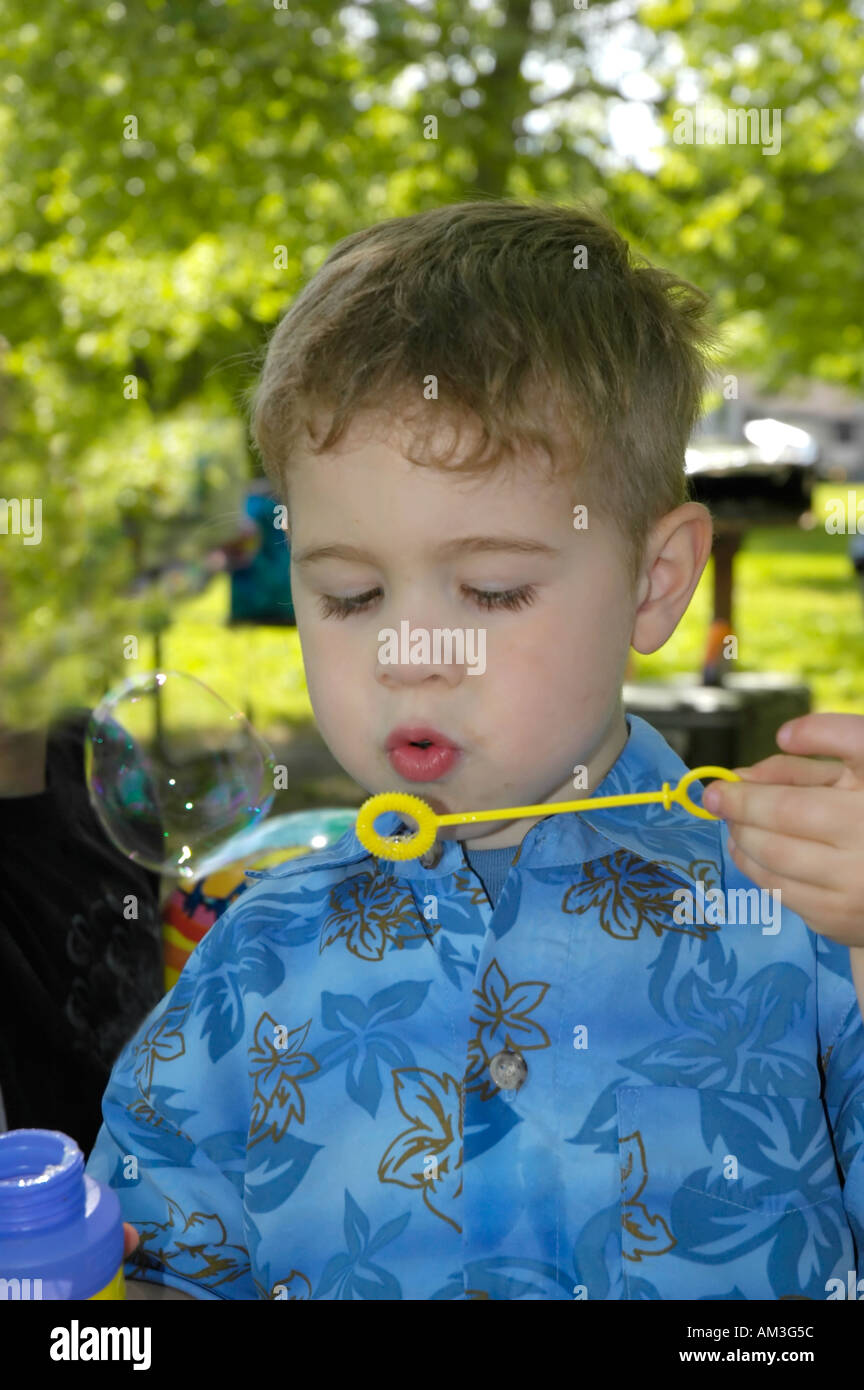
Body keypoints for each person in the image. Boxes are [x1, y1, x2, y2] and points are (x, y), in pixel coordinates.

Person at [85, 201, 864, 1301]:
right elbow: (153, 1282)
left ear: (655, 581)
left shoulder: (806, 918)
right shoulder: (254, 955)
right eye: (349, 594)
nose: (410, 652)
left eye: (493, 589)